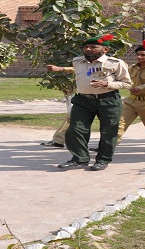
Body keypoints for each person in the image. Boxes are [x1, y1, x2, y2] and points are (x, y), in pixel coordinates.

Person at [47, 34, 132, 171]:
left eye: (93, 47)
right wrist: (61, 69)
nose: (88, 49)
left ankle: (103, 160)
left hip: (108, 100)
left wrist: (107, 83)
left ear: (105, 50)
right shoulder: (77, 61)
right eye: (86, 47)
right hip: (83, 100)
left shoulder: (115, 63)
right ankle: (79, 159)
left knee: (108, 132)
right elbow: (80, 71)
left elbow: (127, 83)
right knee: (75, 129)